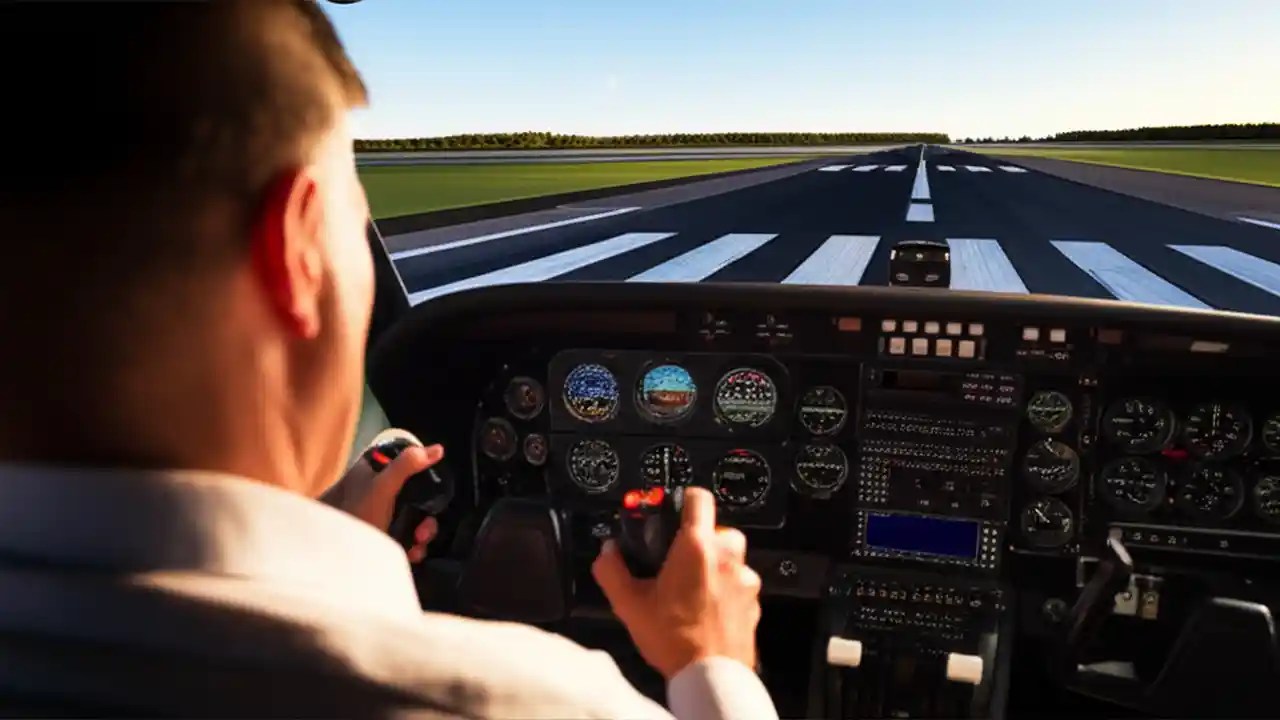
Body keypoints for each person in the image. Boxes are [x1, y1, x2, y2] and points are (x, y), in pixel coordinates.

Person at [0, 2, 777, 718]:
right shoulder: (535, 702)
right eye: (354, 227)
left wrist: (318, 549)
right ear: (301, 252)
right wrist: (711, 661)